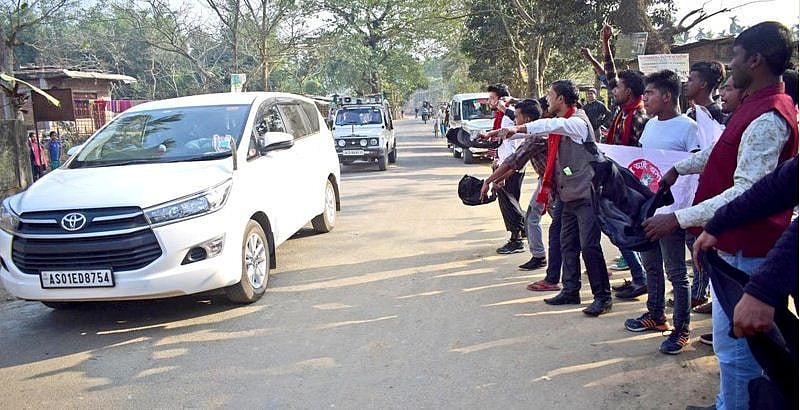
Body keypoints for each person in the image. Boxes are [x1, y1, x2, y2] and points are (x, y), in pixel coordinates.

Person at [648, 22, 797, 410]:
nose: (729, 66)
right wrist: (680, 168)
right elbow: (722, 154)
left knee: (736, 352)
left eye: (733, 56)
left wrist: (678, 219)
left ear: (755, 59)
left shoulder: (769, 117)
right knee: (733, 350)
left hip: (748, 247)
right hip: (732, 240)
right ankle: (726, 403)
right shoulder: (753, 105)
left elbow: (748, 190)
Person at [479, 80, 612, 316]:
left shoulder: (577, 122)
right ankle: (570, 290)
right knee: (566, 242)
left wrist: (518, 129)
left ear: (561, 99)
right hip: (566, 193)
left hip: (585, 193)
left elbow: (551, 124)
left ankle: (603, 296)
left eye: (550, 95)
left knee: (589, 246)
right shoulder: (560, 124)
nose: (547, 99)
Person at [622, 70, 700, 354]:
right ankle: (655, 315)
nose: (645, 99)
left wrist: (682, 213)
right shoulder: (651, 125)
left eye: (650, 94)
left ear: (667, 97)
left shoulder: (689, 128)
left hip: (672, 215)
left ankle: (682, 329)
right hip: (648, 209)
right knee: (651, 266)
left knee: (677, 272)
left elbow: (694, 170)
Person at [600, 23, 649, 300]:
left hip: (631, 185)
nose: (612, 89)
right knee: (618, 229)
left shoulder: (639, 117)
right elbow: (609, 75)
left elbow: (643, 156)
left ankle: (642, 278)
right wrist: (606, 45)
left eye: (617, 87)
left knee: (623, 229)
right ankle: (638, 276)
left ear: (628, 91)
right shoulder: (623, 111)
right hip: (618, 179)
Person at [486, 83, 526, 255]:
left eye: (492, 98)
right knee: (511, 200)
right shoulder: (502, 115)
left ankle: (516, 239)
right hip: (507, 162)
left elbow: (510, 145)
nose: (490, 102)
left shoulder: (509, 116)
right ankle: (523, 230)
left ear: (501, 99)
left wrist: (502, 171)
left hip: (511, 164)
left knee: (508, 202)